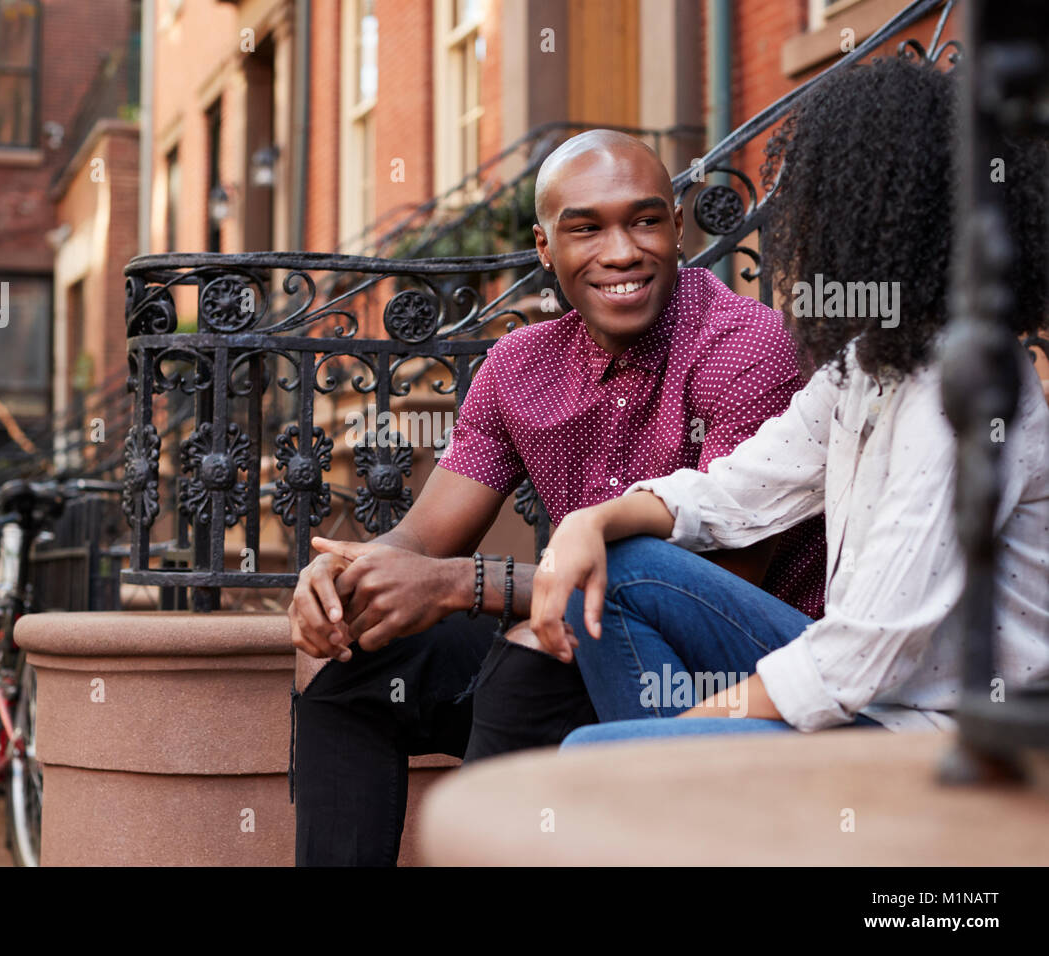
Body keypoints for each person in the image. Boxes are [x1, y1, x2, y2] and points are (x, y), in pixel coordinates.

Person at [289, 129, 827, 865]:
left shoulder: (740, 345)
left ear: (676, 227)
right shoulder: (520, 364)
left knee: (529, 663)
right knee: (346, 666)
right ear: (544, 248)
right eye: (586, 228)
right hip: (577, 631)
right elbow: (423, 537)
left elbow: (705, 586)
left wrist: (463, 585)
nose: (621, 252)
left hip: (728, 667)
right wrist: (344, 576)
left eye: (644, 220)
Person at [528, 56, 1049, 746]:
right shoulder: (867, 364)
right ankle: (675, 810)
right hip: (870, 698)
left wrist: (673, 741)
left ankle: (669, 802)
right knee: (616, 563)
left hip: (938, 734)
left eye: (827, 200)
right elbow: (736, 493)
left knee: (591, 757)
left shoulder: (965, 387)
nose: (811, 223)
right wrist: (588, 524)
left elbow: (861, 654)